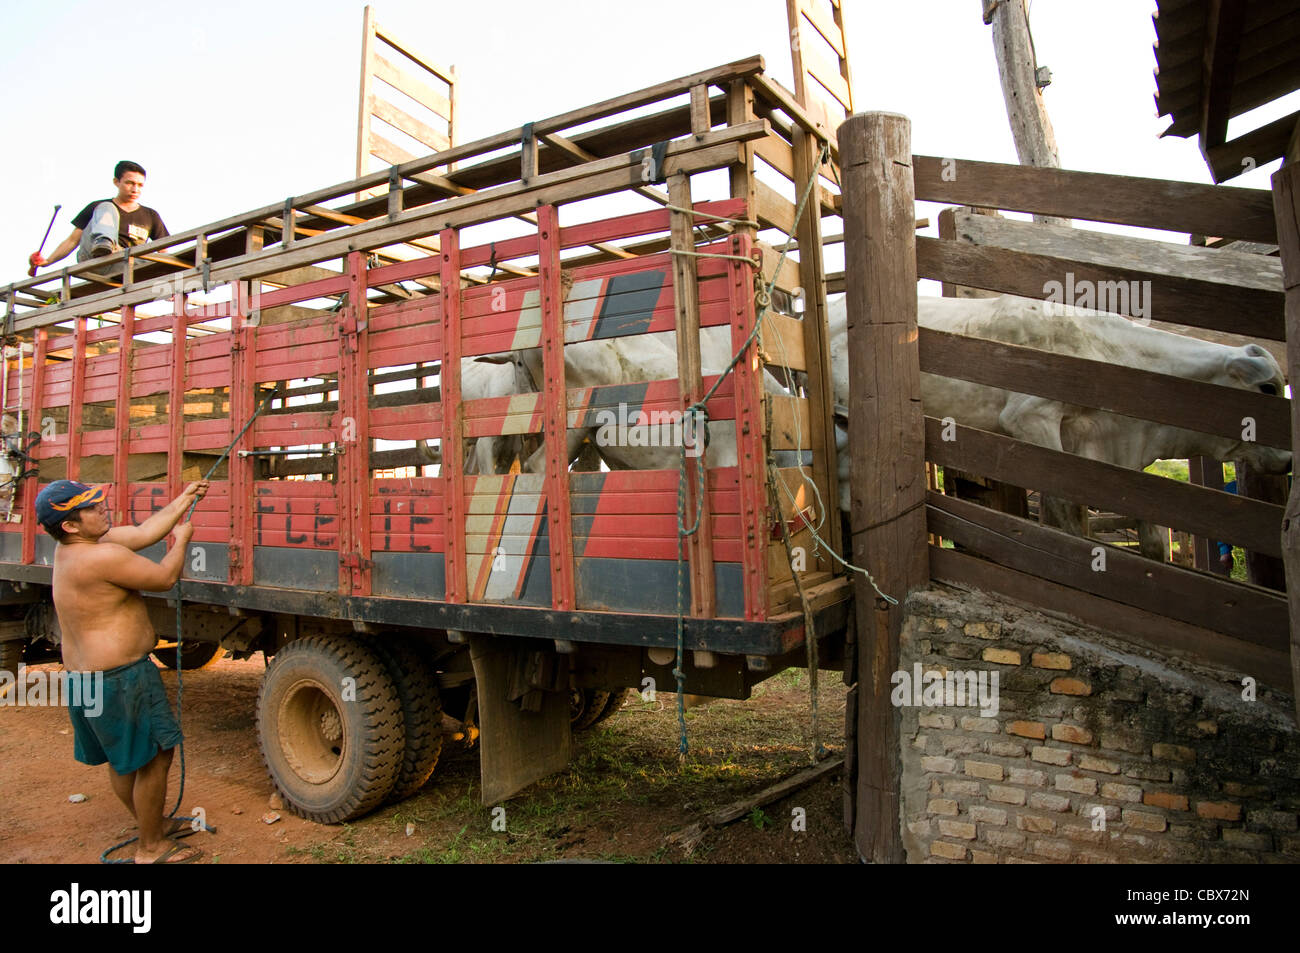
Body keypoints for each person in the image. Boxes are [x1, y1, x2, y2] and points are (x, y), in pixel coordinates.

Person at [37, 478, 208, 864]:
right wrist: (182, 541)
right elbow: (165, 578)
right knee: (154, 757)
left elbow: (147, 531)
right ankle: (151, 848)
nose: (104, 509)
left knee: (123, 758)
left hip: (86, 680)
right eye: (93, 508)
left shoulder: (74, 552)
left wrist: (185, 499)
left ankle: (153, 826)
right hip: (120, 678)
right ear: (70, 525)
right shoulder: (101, 557)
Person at [28, 161, 168, 271]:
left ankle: (116, 253)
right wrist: (47, 261)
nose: (135, 189)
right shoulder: (98, 207)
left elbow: (163, 250)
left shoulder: (150, 215)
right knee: (106, 207)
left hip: (125, 263)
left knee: (154, 260)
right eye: (129, 183)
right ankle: (104, 244)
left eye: (139, 185)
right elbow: (72, 241)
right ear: (116, 182)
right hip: (95, 261)